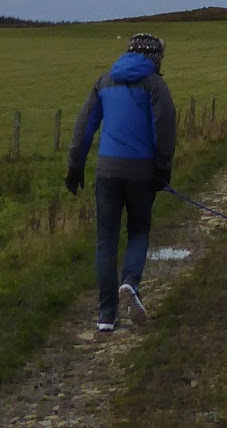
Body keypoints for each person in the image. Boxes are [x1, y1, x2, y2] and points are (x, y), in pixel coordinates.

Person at [66, 32, 177, 332]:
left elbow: (84, 125)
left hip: (107, 172)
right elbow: (164, 128)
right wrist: (162, 168)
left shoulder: (104, 81)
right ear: (155, 58)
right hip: (141, 173)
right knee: (139, 229)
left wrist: (75, 166)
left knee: (106, 240)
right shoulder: (155, 84)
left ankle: (106, 315)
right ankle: (129, 283)